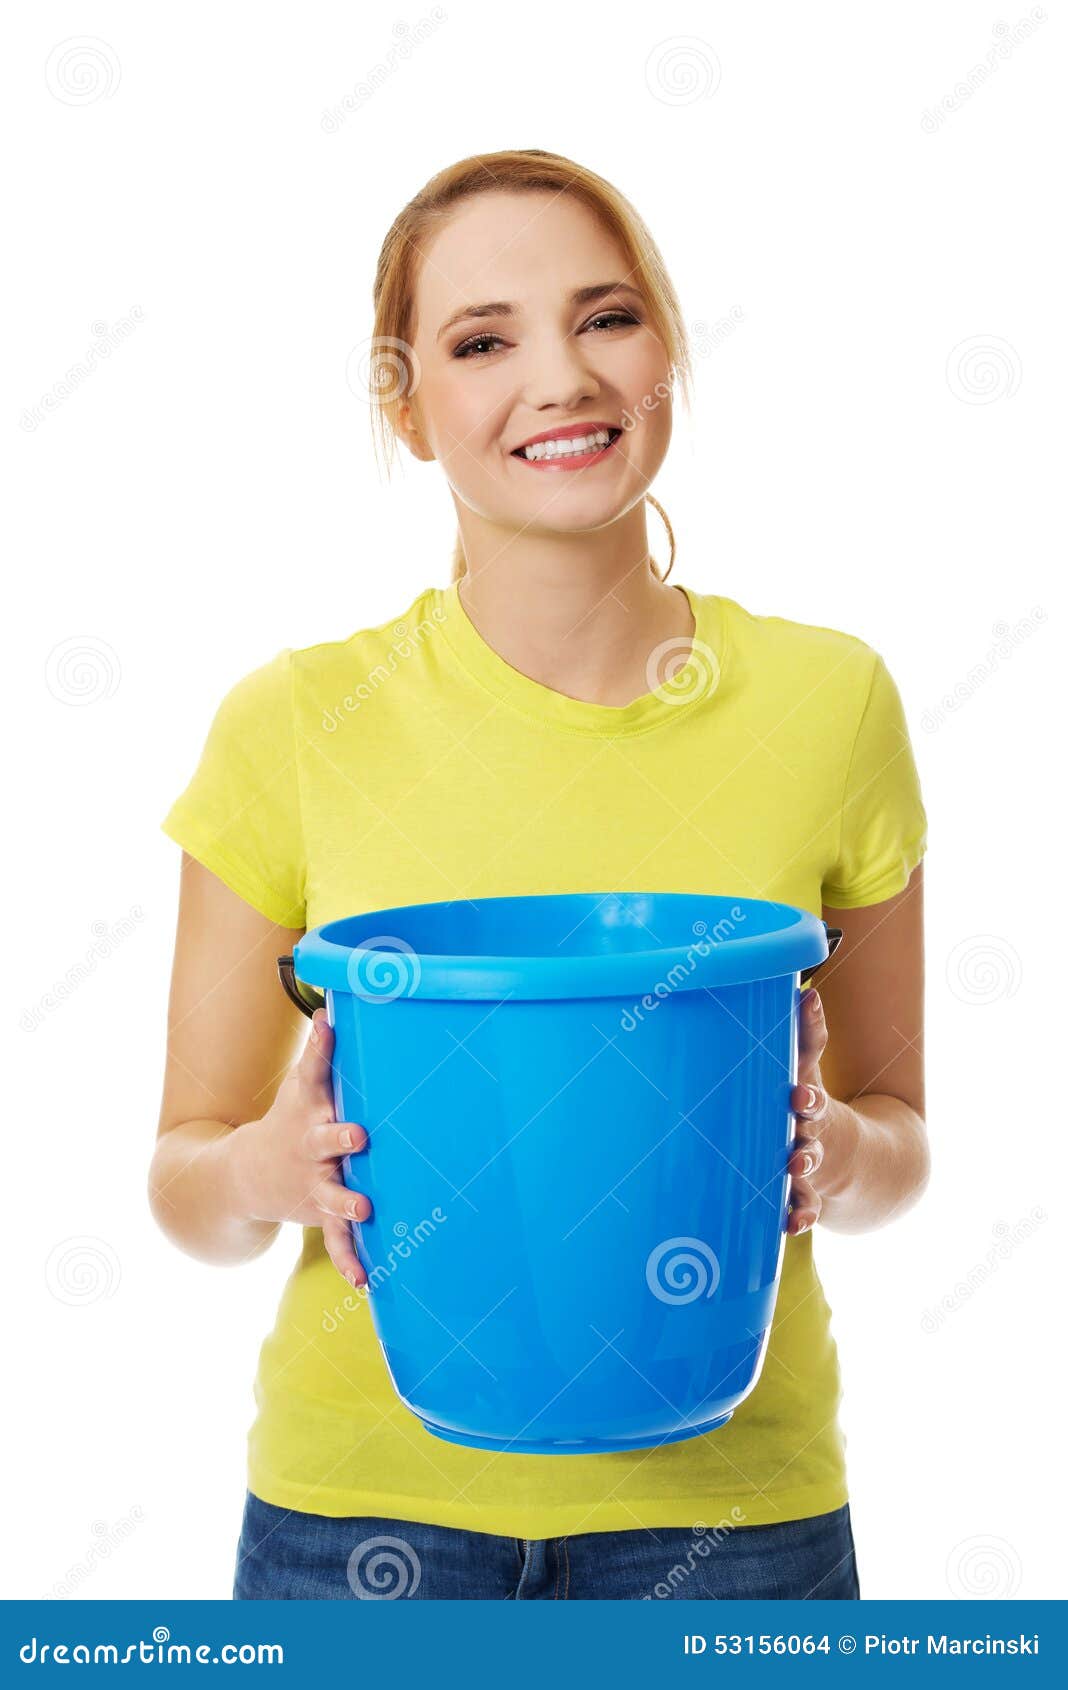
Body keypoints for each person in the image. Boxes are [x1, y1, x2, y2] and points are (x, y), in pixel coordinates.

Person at [151, 149, 929, 1601]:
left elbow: (901, 1134)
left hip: (733, 1524)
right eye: (483, 340)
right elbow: (187, 1178)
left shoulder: (831, 704)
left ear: (669, 352)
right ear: (409, 404)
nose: (560, 376)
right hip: (360, 1516)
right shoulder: (296, 725)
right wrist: (267, 1165)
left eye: (608, 318)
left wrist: (839, 1147)